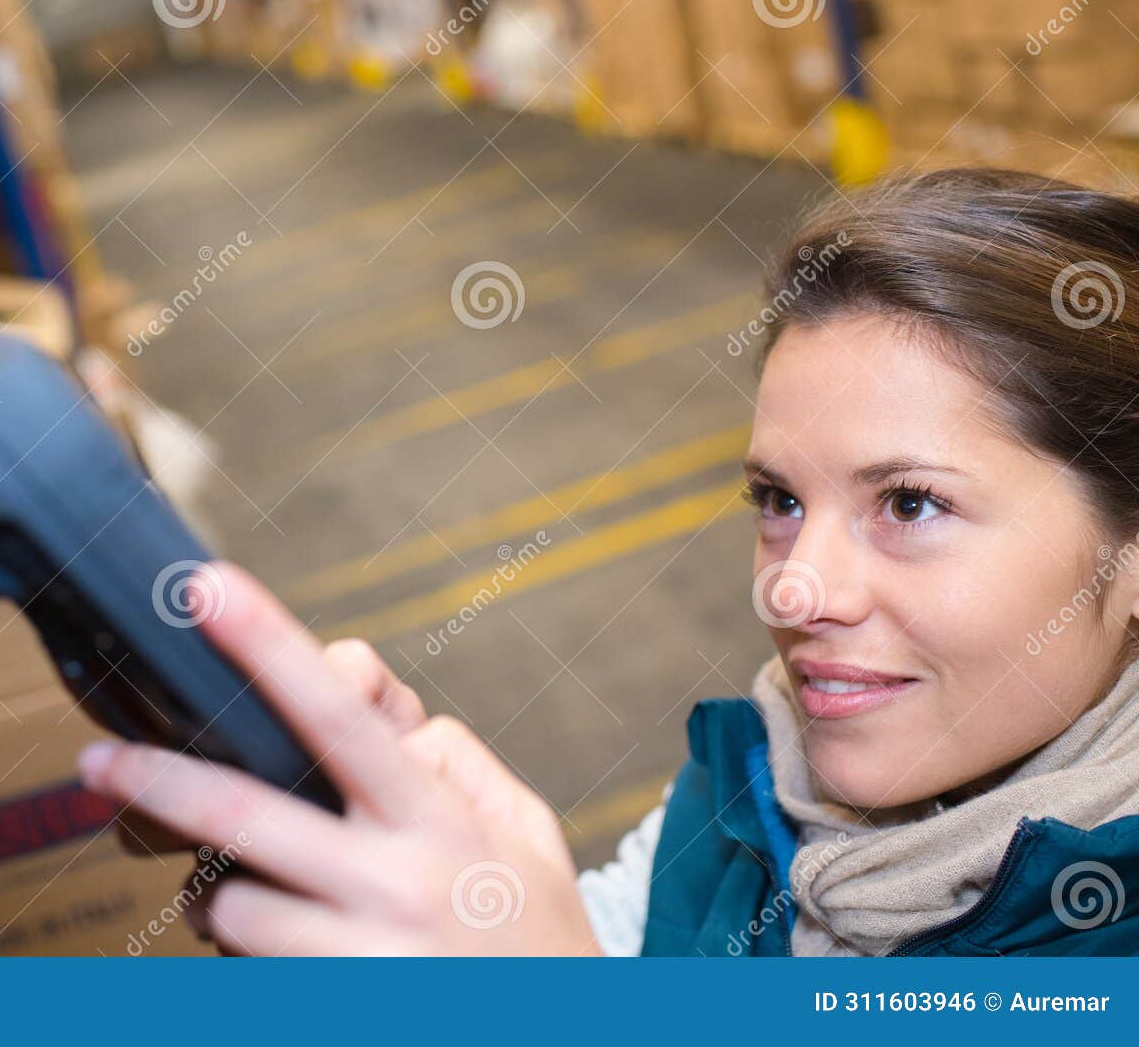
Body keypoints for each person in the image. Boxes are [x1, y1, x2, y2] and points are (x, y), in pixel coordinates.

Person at [77, 168, 1139, 955]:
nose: (791, 585)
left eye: (909, 503)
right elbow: (604, 937)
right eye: (777, 501)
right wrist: (403, 861)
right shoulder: (751, 781)